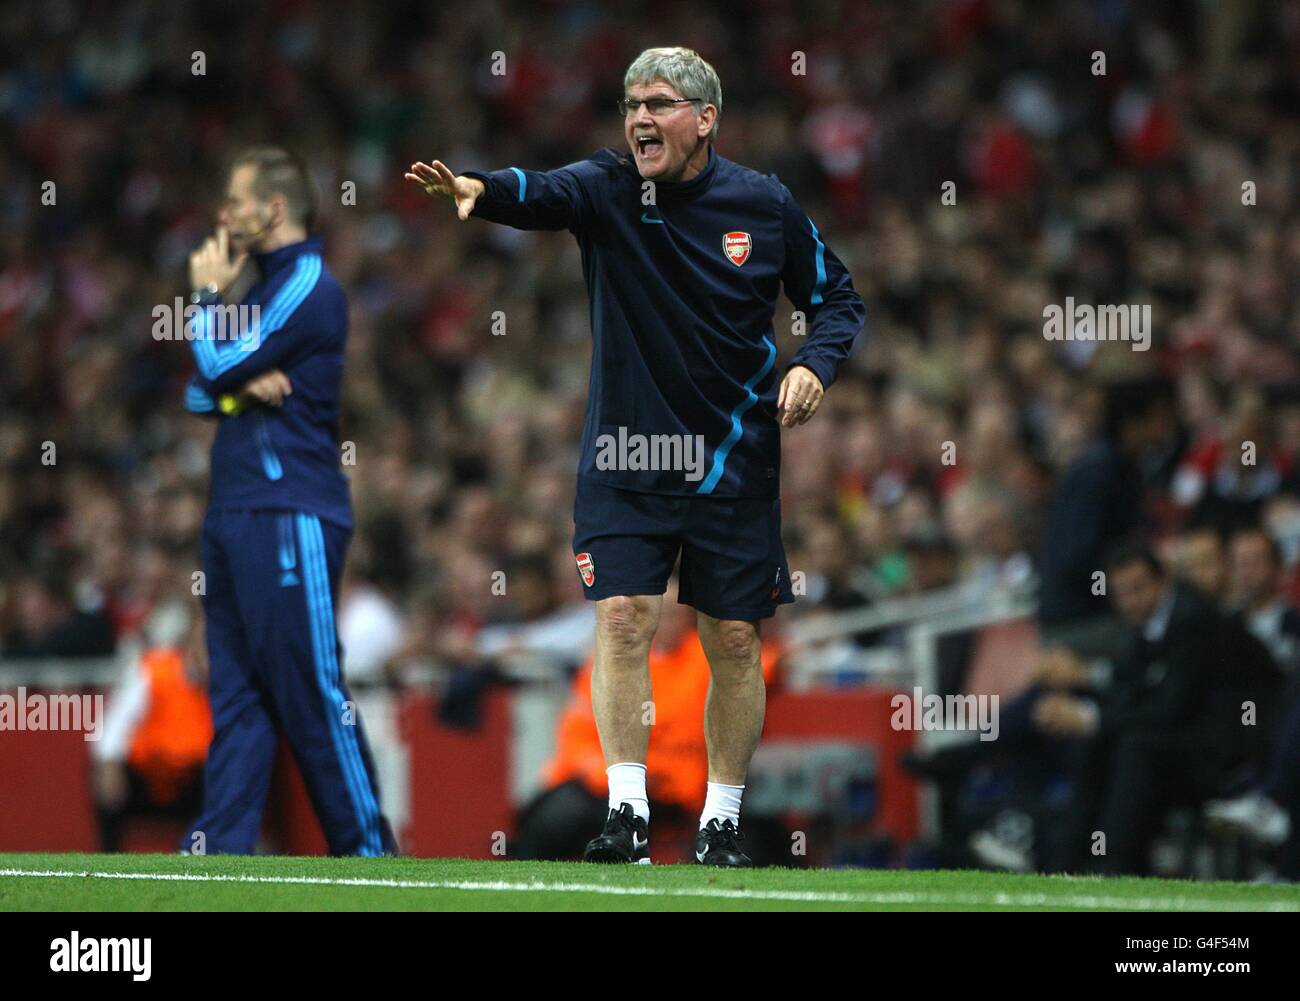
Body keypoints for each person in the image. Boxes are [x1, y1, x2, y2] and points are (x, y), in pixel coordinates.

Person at [406, 47, 866, 865]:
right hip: (627, 454)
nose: (639, 118)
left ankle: (721, 821)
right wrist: (481, 189)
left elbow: (837, 298)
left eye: (657, 103)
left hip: (734, 457)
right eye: (629, 104)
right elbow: (542, 192)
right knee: (622, 618)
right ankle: (626, 812)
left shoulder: (765, 206)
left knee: (731, 637)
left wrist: (812, 365)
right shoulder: (611, 187)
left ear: (706, 118)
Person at [181, 147, 394, 855]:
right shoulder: (263, 291)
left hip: (289, 507)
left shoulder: (310, 285)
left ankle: (370, 853)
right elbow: (199, 387)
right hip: (237, 507)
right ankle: (220, 849)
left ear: (273, 208)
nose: (224, 215)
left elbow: (209, 364)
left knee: (310, 689)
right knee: (238, 694)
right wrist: (240, 383)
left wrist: (209, 307)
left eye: (236, 201)